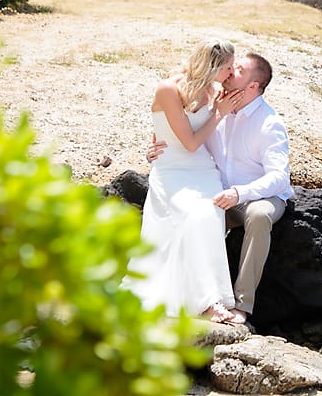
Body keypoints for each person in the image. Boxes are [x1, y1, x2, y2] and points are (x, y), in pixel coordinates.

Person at [147, 52, 293, 325]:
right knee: (191, 214)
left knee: (259, 216)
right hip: (219, 192)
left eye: (237, 70)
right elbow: (185, 135)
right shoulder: (217, 106)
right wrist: (156, 148)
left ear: (252, 86)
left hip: (259, 196)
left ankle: (242, 303)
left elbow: (279, 178)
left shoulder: (269, 123)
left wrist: (240, 193)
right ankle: (191, 296)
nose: (228, 73)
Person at [123, 39, 245, 325]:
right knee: (193, 215)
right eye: (227, 67)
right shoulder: (169, 89)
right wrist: (217, 114)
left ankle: (208, 299)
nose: (230, 73)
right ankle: (205, 303)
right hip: (172, 169)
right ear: (213, 65)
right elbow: (188, 142)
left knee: (207, 213)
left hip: (203, 169)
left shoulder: (212, 89)